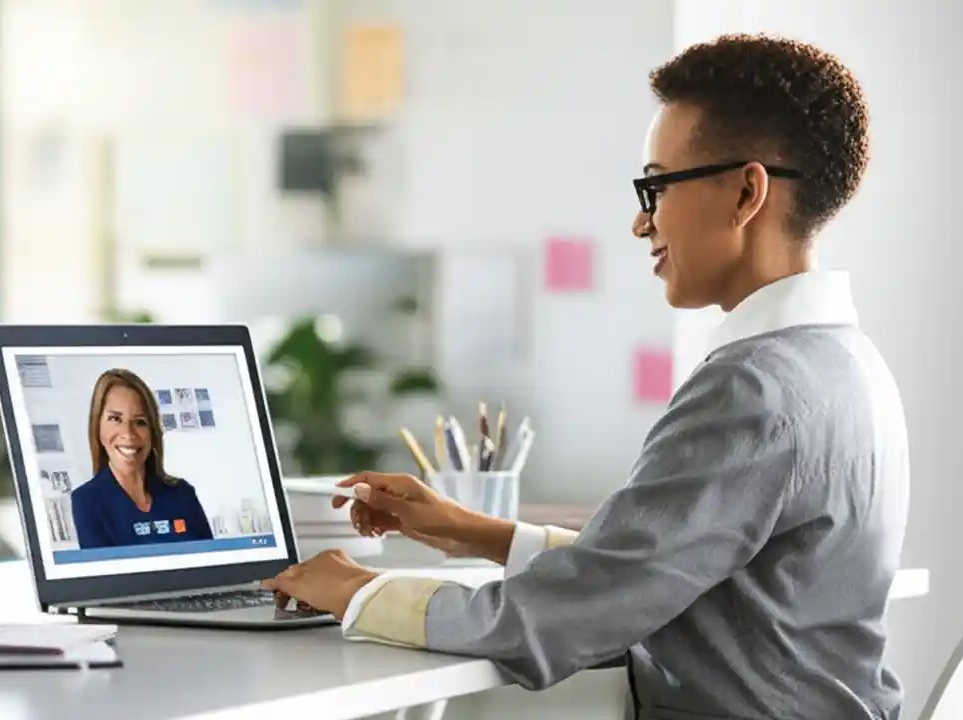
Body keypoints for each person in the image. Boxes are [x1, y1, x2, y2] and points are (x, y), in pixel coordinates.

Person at [264, 33, 909, 720]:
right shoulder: (846, 362)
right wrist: (472, 531)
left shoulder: (753, 389)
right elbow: (647, 568)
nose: (641, 222)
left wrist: (354, 590)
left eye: (657, 187)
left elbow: (556, 623)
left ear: (747, 191)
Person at [71, 369, 213, 549]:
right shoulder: (87, 501)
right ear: (97, 426)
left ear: (152, 432)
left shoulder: (182, 493)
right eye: (115, 419)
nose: (128, 435)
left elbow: (215, 569)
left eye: (140, 422)